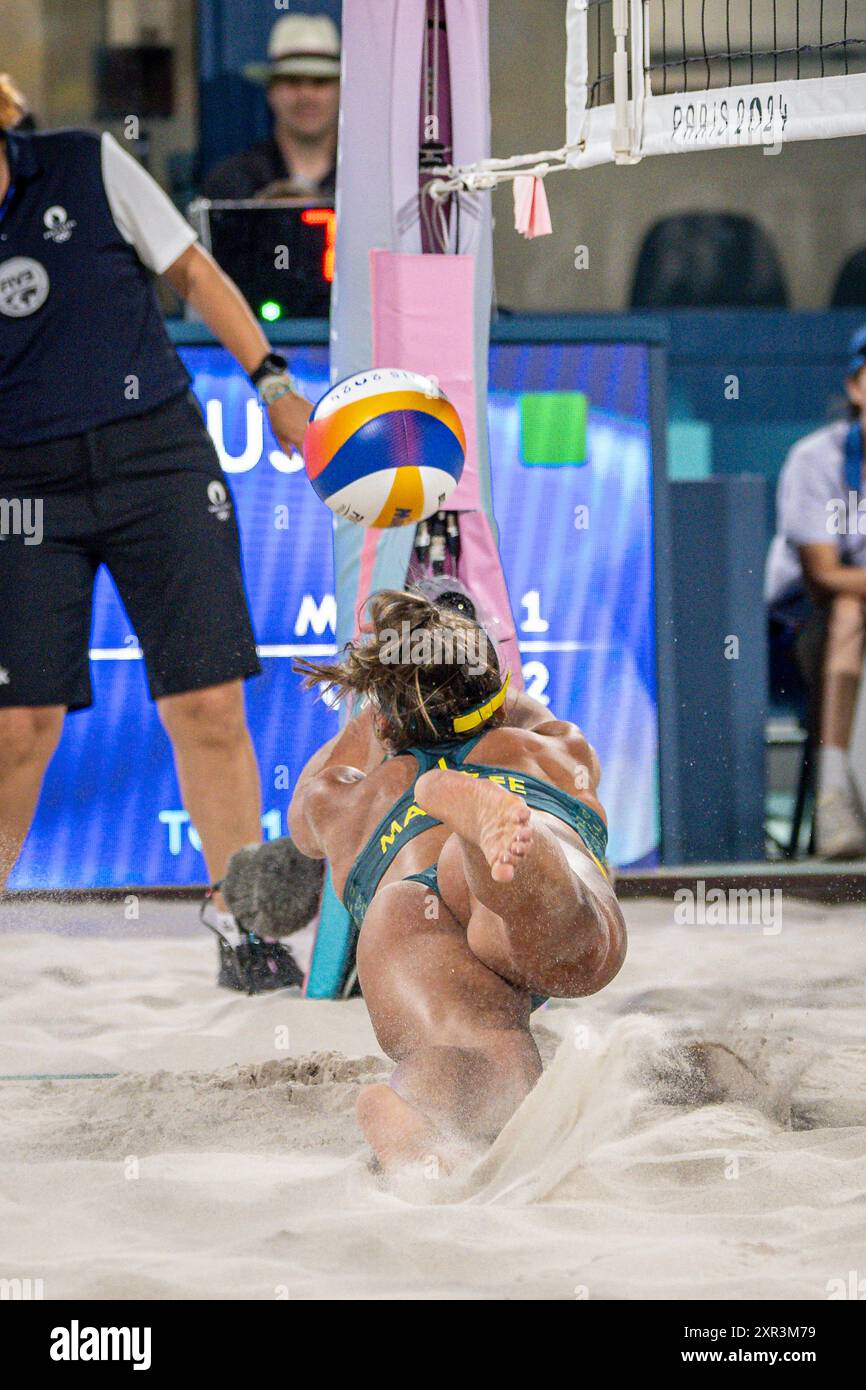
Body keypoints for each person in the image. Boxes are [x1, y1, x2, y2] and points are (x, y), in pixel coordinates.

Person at [0, 73, 312, 946]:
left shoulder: (84, 163)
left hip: (155, 459)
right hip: (19, 489)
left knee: (207, 705)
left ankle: (246, 928)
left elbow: (194, 271)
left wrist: (273, 382)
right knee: (17, 725)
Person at [288, 589, 626, 1169]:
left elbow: (304, 804)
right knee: (578, 954)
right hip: (519, 827)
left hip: (403, 902)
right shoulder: (548, 746)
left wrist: (382, 710)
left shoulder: (345, 804)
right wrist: (452, 672)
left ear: (385, 722)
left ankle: (418, 1120)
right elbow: (512, 704)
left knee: (479, 1055)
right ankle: (479, 846)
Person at [766, 326, 866, 859]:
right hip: (802, 629)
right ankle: (833, 803)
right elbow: (823, 576)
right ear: (855, 387)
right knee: (850, 607)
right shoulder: (815, 459)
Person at [202, 15, 339, 201]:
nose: (306, 96)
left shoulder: (367, 180)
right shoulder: (231, 182)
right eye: (292, 81)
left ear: (341, 91)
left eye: (320, 82)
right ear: (271, 92)